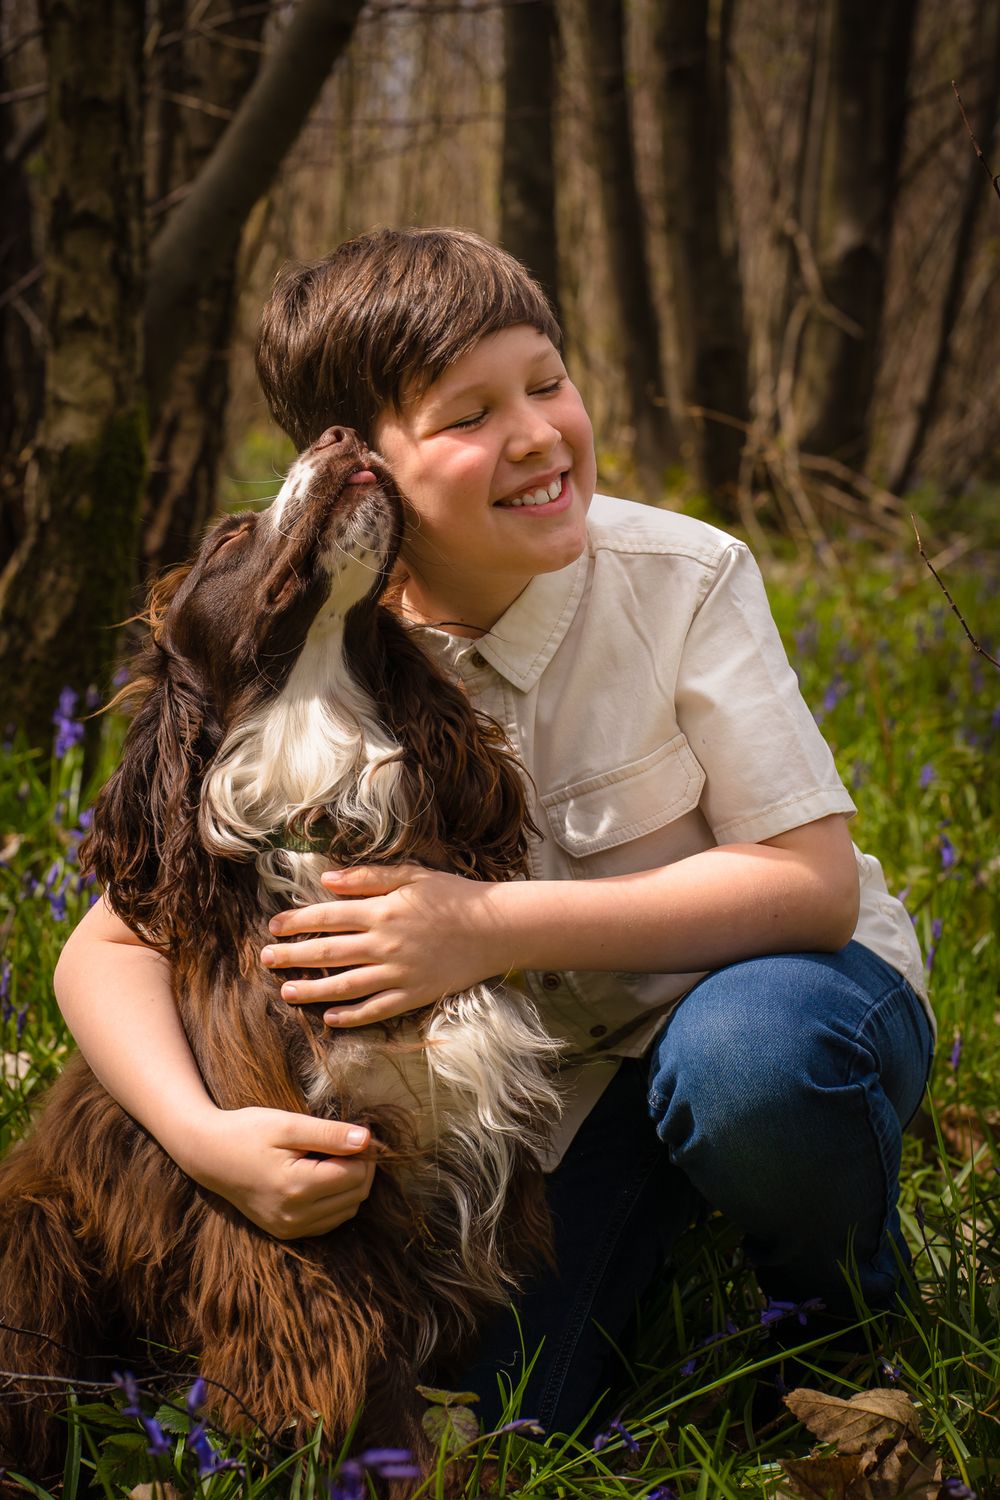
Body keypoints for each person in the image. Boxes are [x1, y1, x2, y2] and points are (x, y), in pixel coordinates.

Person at [55, 226, 933, 1435]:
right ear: (361, 467)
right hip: (558, 1107)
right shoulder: (324, 652)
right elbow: (105, 948)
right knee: (515, 1411)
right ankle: (667, 1246)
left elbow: (812, 886)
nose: (534, 433)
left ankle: (850, 1318)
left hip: (774, 1005)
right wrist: (204, 1140)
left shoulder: (680, 577)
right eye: (468, 414)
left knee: (748, 1072)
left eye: (547, 379)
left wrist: (485, 926)